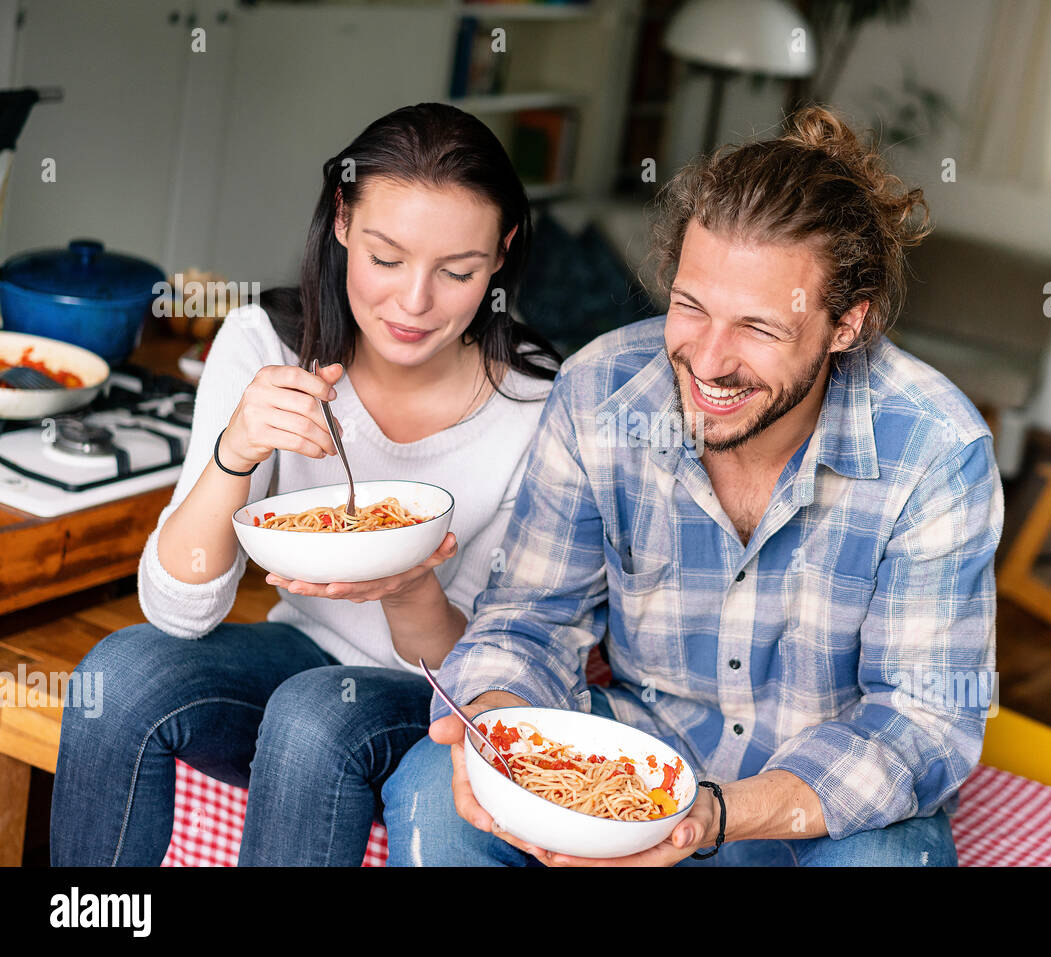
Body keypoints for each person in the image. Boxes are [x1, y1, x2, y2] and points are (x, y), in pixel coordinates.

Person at [382, 105, 1003, 867]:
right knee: (430, 787)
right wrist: (498, 727)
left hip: (815, 805)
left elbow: (924, 722)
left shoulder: (937, 450)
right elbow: (529, 619)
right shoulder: (597, 392)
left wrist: (709, 816)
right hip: (647, 751)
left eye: (759, 328)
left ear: (849, 326)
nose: (707, 362)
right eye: (689, 306)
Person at [50, 103, 559, 866]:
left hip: (437, 691)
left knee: (316, 713)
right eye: (386, 259)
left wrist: (410, 585)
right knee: (119, 674)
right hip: (297, 650)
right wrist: (236, 452)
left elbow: (500, 672)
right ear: (344, 220)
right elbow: (177, 609)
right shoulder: (266, 345)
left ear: (501, 254)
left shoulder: (540, 405)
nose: (415, 303)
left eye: (458, 272)